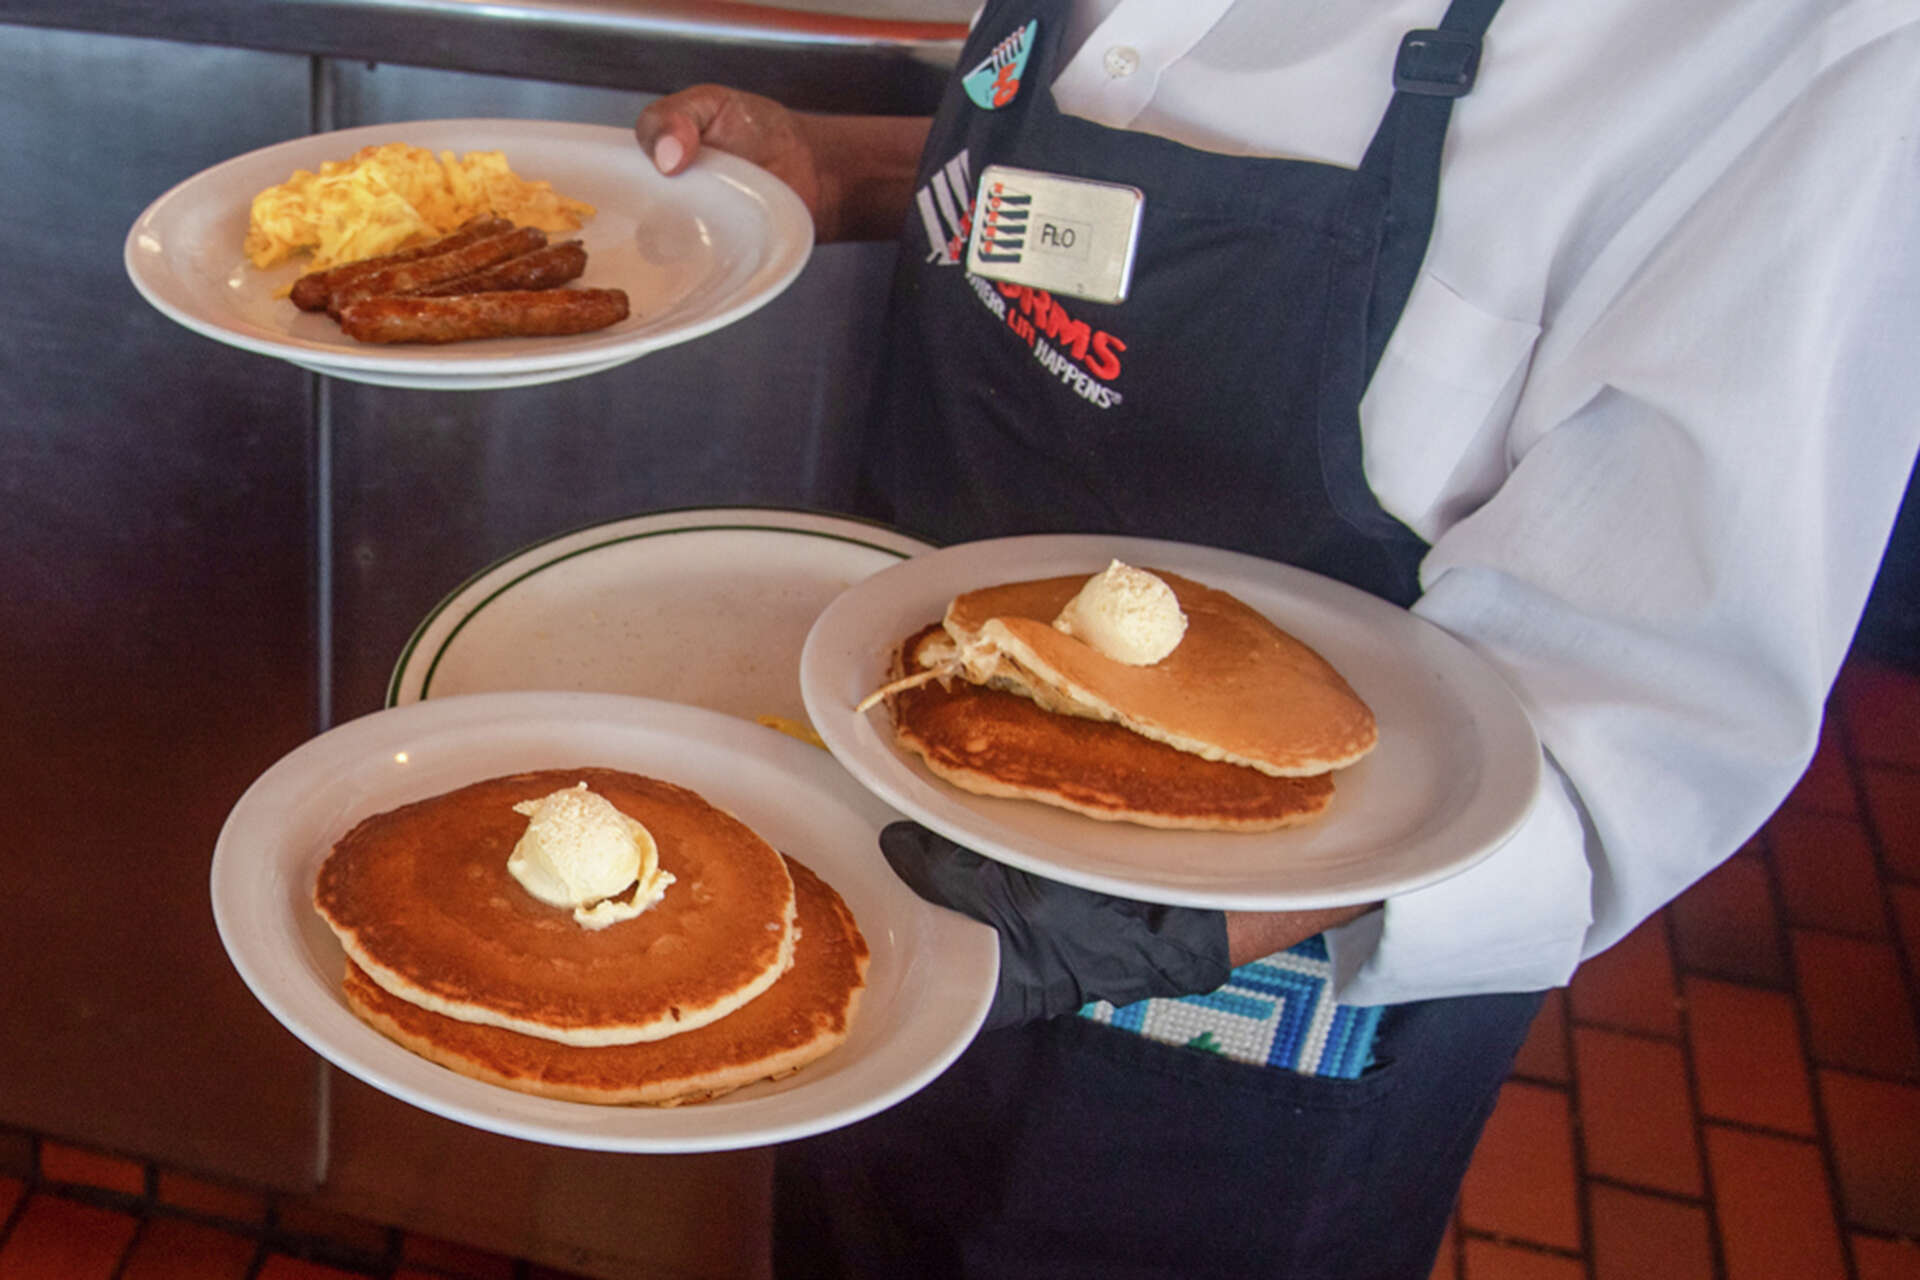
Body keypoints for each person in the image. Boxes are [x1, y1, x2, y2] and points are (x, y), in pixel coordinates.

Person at [636, 2, 1920, 1275]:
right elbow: (1099, 152)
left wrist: (1155, 910)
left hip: (1231, 1034)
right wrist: (840, 169)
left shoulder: (1801, 47)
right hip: (871, 827)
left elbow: (1644, 704)